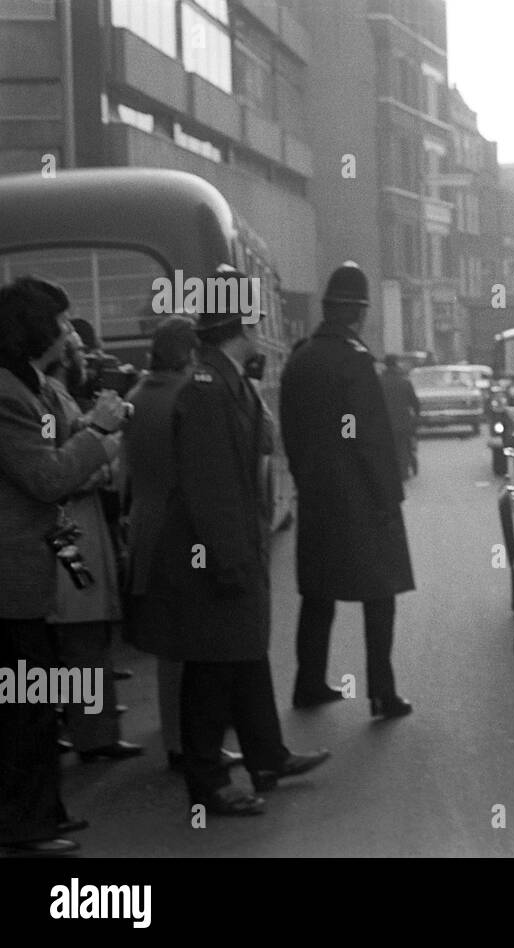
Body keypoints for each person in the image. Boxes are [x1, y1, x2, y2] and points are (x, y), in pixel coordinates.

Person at [151, 273, 329, 816]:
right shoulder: (207, 392)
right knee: (210, 669)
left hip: (233, 550)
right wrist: (231, 563)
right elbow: (212, 492)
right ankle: (208, 783)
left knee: (245, 659)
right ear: (243, 325)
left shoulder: (227, 381)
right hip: (216, 558)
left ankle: (267, 755)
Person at [0, 276, 129, 856]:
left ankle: (43, 811)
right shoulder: (7, 394)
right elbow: (47, 476)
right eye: (58, 323)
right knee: (22, 710)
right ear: (34, 330)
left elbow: (62, 448)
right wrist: (97, 433)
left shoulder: (32, 387)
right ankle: (24, 828)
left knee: (36, 702)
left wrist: (90, 430)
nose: (67, 333)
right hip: (11, 578)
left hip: (35, 569)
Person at [281, 262, 415, 719]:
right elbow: (369, 439)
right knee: (380, 597)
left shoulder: (299, 359)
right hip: (361, 498)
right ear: (358, 313)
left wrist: (306, 481)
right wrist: (389, 495)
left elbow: (291, 436)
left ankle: (308, 683)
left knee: (317, 597)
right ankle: (381, 692)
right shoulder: (356, 362)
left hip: (317, 499)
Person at [121, 317, 242, 773]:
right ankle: (194, 744)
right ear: (191, 356)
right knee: (197, 641)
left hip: (145, 528)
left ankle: (175, 736)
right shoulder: (190, 399)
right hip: (185, 530)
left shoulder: (135, 398)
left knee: (169, 645)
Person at [43, 329, 142, 762]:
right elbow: (57, 471)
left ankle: (83, 726)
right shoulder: (49, 397)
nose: (87, 357)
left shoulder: (56, 395)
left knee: (82, 633)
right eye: (79, 349)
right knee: (82, 633)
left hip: (74, 532)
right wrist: (103, 461)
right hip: (70, 536)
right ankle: (94, 734)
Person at [380, 354, 420, 480]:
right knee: (403, 445)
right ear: (396, 364)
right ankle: (403, 471)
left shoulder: (378, 382)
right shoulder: (404, 382)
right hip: (403, 421)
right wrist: (416, 416)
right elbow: (415, 402)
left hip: (383, 422)